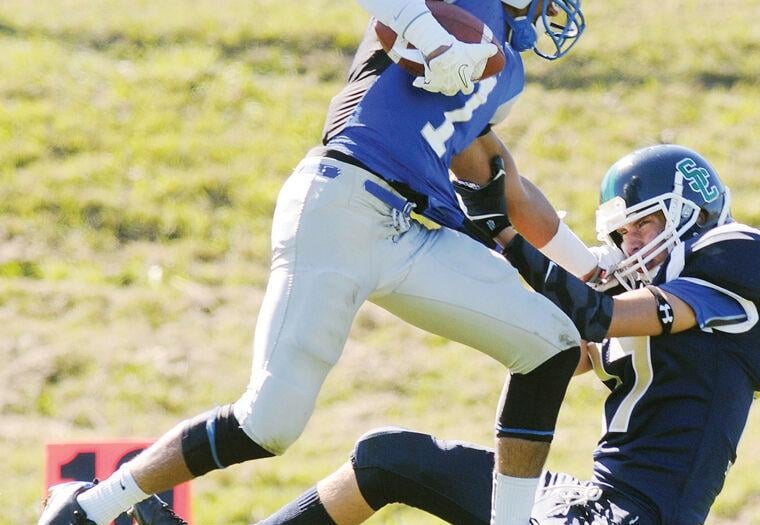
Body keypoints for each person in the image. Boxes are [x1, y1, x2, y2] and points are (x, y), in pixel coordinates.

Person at [38, 1, 600, 524]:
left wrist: (594, 269)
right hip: (340, 202)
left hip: (409, 229)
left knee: (549, 347)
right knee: (268, 425)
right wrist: (429, 37)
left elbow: (505, 185)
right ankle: (90, 507)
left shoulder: (504, 66)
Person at [128, 144, 760, 524]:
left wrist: (506, 237)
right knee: (385, 455)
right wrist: (470, 231)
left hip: (632, 518)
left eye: (642, 225)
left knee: (394, 458)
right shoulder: (636, 288)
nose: (629, 243)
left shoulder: (739, 257)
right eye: (622, 233)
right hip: (596, 499)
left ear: (690, 212)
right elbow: (559, 343)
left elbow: (599, 316)